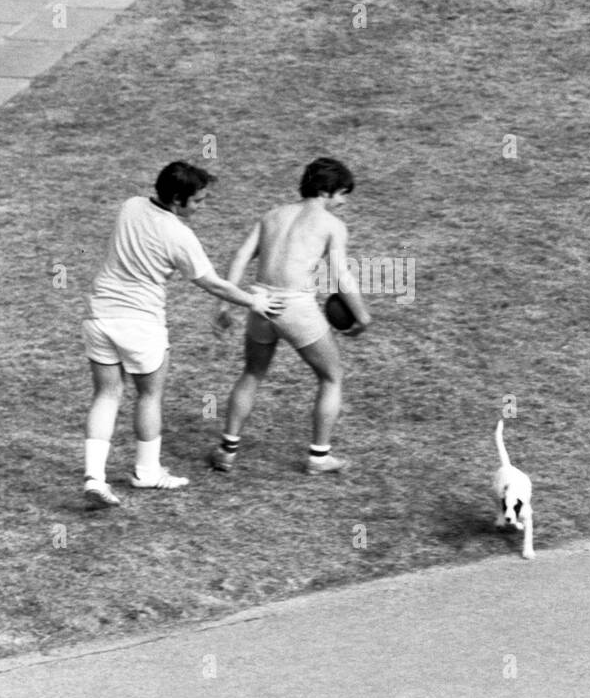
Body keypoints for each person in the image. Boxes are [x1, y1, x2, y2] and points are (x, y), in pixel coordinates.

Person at [81, 162, 284, 510]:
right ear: (178, 200)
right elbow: (211, 283)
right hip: (142, 325)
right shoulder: (179, 235)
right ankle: (147, 472)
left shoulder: (130, 205)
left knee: (107, 395)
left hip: (99, 317)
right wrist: (255, 301)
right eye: (199, 201)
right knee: (149, 396)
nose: (201, 207)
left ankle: (94, 478)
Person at [210, 157, 372, 476]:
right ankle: (319, 456)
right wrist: (362, 316)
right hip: (297, 308)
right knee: (332, 376)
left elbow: (241, 255)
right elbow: (341, 274)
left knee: (253, 373)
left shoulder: (271, 215)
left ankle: (227, 451)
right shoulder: (331, 225)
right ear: (326, 192)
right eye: (342, 194)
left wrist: (225, 303)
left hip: (260, 303)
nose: (343, 202)